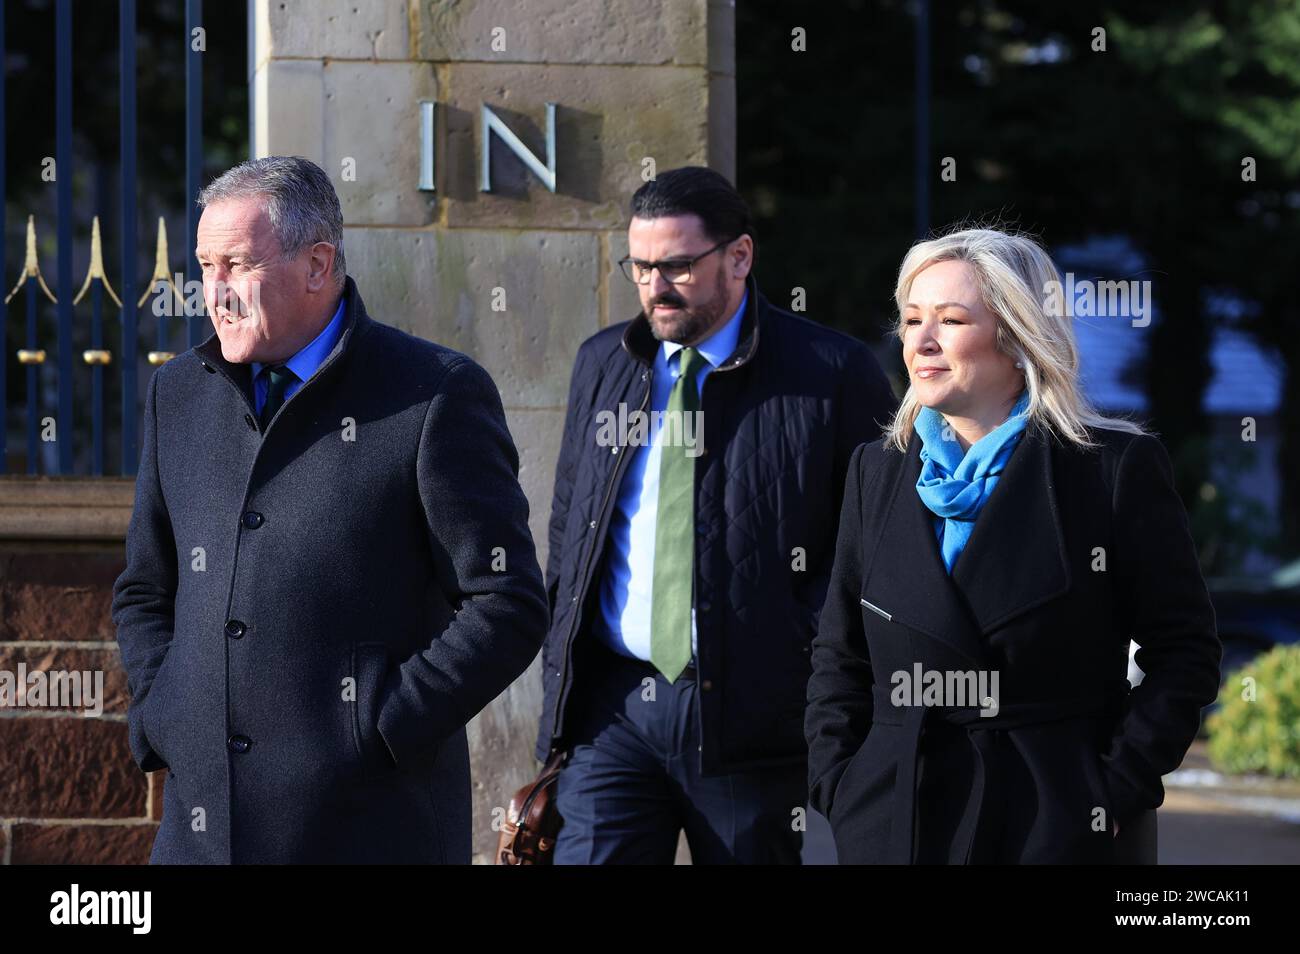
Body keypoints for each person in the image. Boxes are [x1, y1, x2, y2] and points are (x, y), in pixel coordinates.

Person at [111, 156, 548, 863]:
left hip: (368, 833)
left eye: (236, 265)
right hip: (201, 838)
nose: (213, 292)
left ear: (318, 265)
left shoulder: (434, 394)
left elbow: (507, 601)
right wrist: (165, 708)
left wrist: (379, 725)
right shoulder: (180, 394)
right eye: (204, 265)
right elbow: (144, 586)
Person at [805, 226, 1221, 864]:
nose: (920, 341)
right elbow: (841, 651)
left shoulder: (1110, 469)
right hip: (898, 820)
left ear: (1017, 333)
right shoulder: (878, 468)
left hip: (1047, 821)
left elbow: (1183, 653)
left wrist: (1111, 789)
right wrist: (842, 783)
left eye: (950, 320)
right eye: (911, 318)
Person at [536, 166, 896, 864]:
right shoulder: (603, 362)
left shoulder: (834, 372)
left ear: (739, 257)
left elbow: (872, 548)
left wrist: (795, 649)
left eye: (676, 266)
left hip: (750, 718)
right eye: (639, 267)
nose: (654, 287)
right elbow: (569, 525)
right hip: (610, 707)